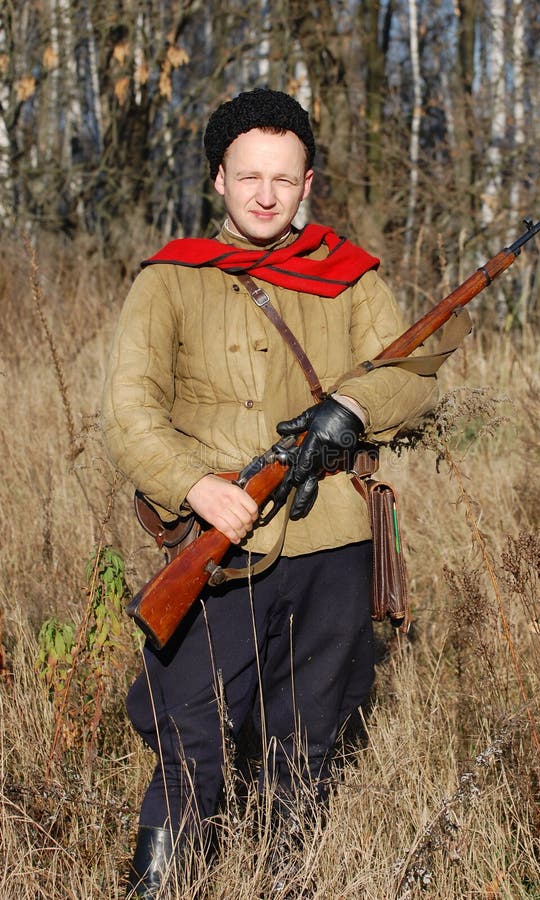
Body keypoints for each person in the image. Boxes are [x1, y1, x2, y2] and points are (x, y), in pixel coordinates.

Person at [102, 88, 438, 896]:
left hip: (334, 544)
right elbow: (128, 411)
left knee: (307, 733)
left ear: (308, 182)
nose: (263, 195)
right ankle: (157, 885)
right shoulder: (170, 280)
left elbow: (412, 376)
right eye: (247, 176)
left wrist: (352, 408)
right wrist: (195, 488)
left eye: (282, 180)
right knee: (187, 729)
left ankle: (282, 877)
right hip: (220, 543)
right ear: (218, 178)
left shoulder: (350, 274)